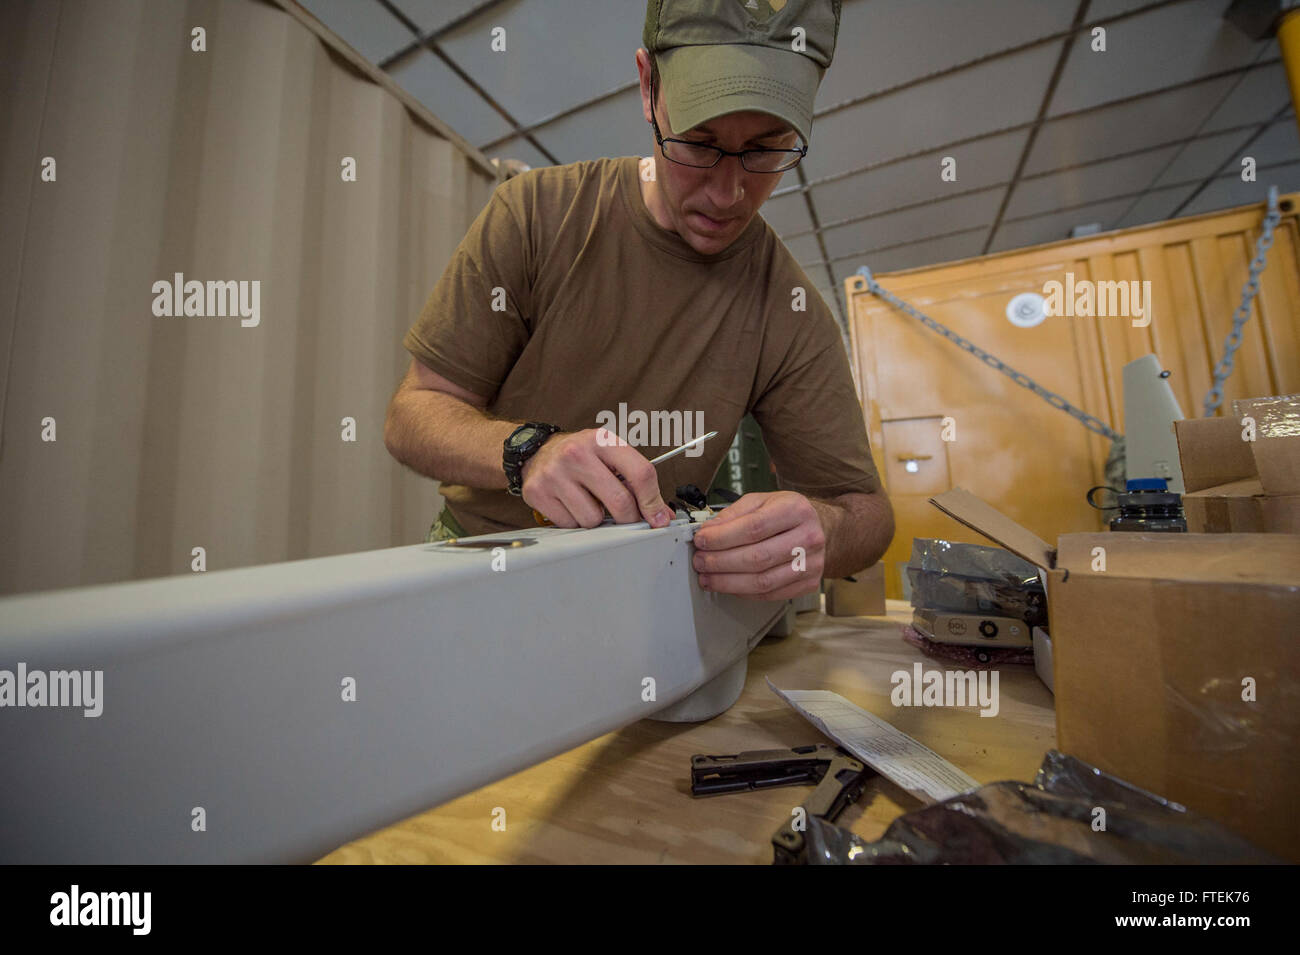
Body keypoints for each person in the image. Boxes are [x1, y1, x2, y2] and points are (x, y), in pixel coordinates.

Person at [384, 0, 893, 601]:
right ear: (648, 88)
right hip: (480, 569)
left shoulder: (787, 308)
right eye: (699, 144)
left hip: (649, 593)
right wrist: (527, 452)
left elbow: (866, 513)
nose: (730, 192)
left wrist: (822, 531)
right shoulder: (535, 215)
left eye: (765, 150)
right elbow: (413, 414)